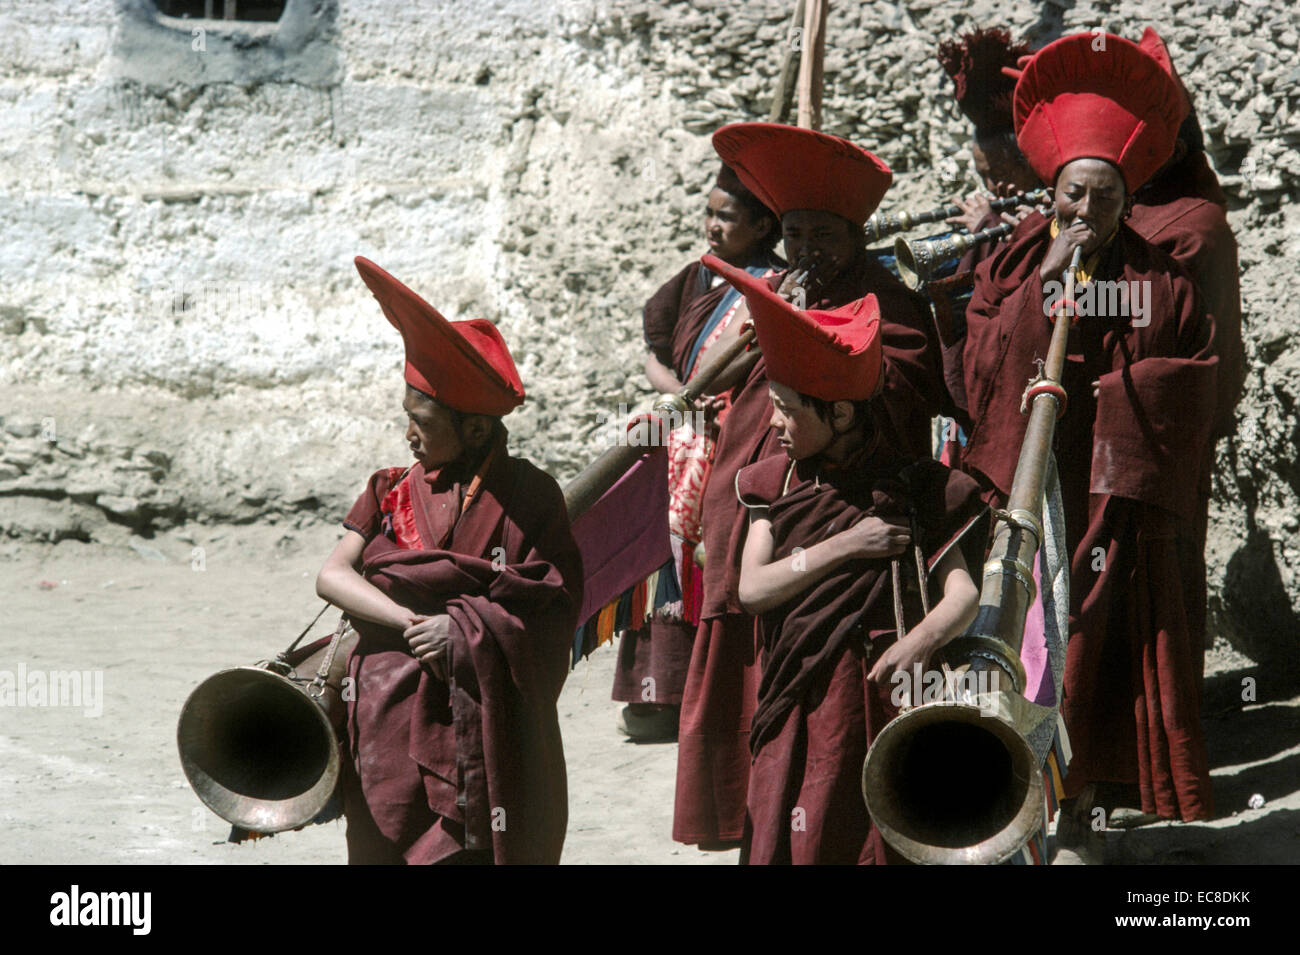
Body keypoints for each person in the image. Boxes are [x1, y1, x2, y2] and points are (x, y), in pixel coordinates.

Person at [961, 34, 1219, 861]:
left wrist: (1115, 400)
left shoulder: (1155, 274)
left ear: (1126, 199)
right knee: (1023, 635)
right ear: (1054, 190)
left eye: (1105, 200)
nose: (1086, 214)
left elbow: (1193, 368)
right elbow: (978, 360)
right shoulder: (1016, 257)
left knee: (1091, 652)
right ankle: (1009, 800)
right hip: (1033, 484)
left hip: (1108, 494)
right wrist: (1044, 295)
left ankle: (1084, 805)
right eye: (1074, 196)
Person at [672, 122, 944, 848]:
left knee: (830, 704)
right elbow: (727, 380)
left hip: (845, 506)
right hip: (760, 491)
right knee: (751, 636)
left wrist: (832, 363)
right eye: (794, 234)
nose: (807, 252)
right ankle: (746, 814)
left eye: (823, 234)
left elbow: (907, 389)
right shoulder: (780, 288)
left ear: (856, 233)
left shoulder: (890, 302)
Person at [702, 255, 987, 864]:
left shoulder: (918, 486)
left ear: (840, 413)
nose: (774, 424)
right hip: (801, 689)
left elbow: (962, 594)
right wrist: (846, 545)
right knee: (800, 817)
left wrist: (918, 644)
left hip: (887, 685)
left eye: (788, 410)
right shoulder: (771, 483)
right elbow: (751, 590)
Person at [315, 256, 583, 864]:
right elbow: (331, 576)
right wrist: (413, 624)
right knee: (386, 835)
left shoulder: (531, 497)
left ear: (477, 431)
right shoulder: (390, 489)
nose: (410, 435)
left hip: (486, 710)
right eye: (407, 419)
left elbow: (555, 606)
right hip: (386, 699)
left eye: (423, 423)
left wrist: (462, 631)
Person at [613, 165, 782, 742]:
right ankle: (655, 690)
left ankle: (705, 690)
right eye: (708, 213)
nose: (711, 226)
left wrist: (719, 404)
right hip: (683, 431)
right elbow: (655, 356)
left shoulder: (777, 285)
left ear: (762, 225)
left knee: (710, 550)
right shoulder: (697, 281)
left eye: (726, 217)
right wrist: (679, 395)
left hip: (735, 433)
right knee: (661, 548)